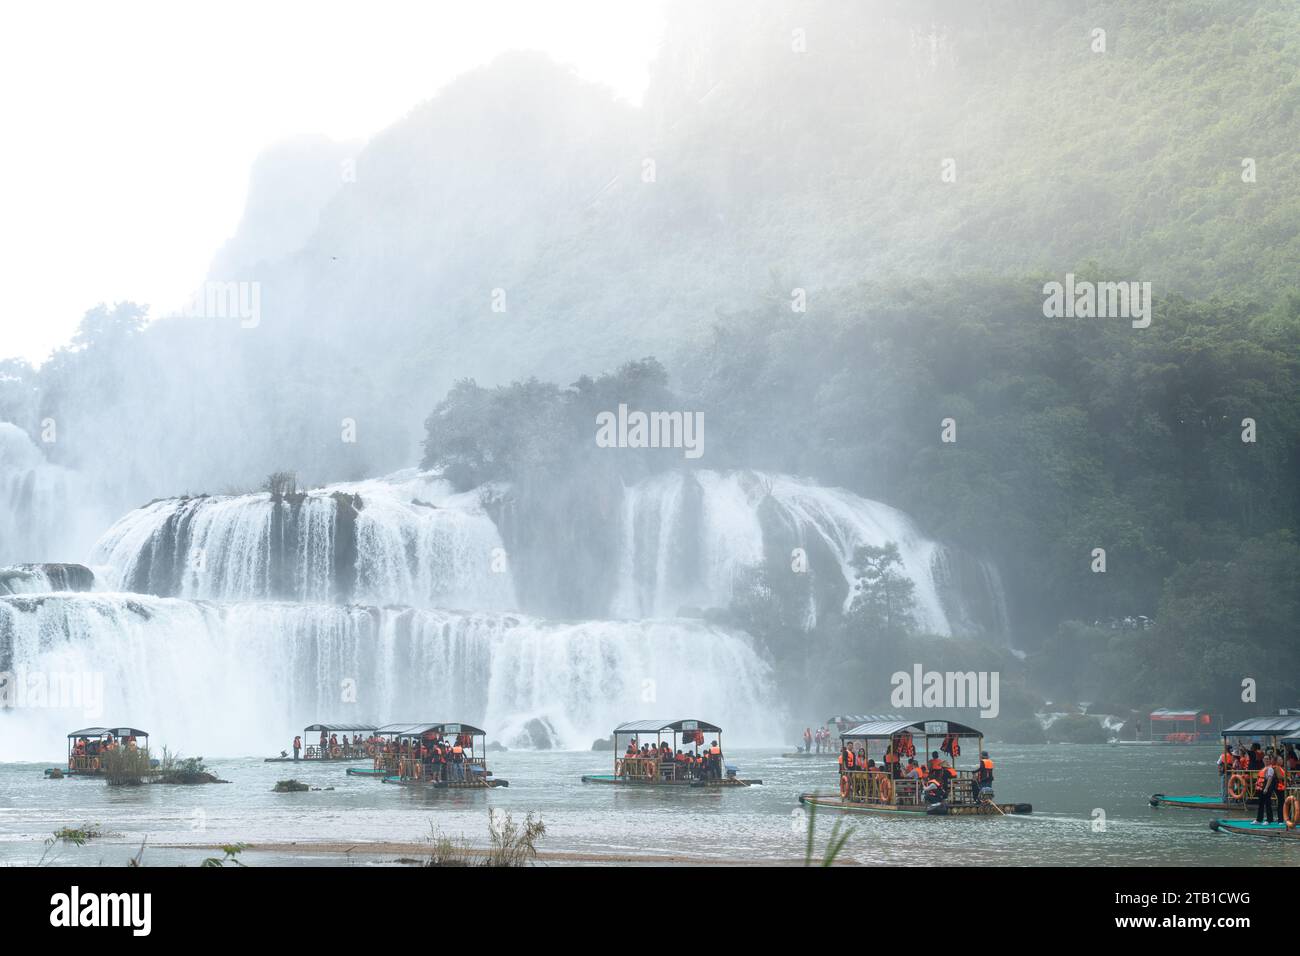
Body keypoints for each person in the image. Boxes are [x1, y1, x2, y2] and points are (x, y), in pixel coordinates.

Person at [1255, 754, 1280, 824]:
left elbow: (1270, 778)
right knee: (1261, 804)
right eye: (1265, 759)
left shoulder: (1270, 769)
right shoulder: (1263, 768)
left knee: (1268, 804)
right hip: (1260, 788)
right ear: (1263, 760)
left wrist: (1266, 788)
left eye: (1267, 759)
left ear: (1270, 760)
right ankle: (1259, 819)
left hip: (1266, 788)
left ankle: (1269, 820)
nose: (1266, 760)